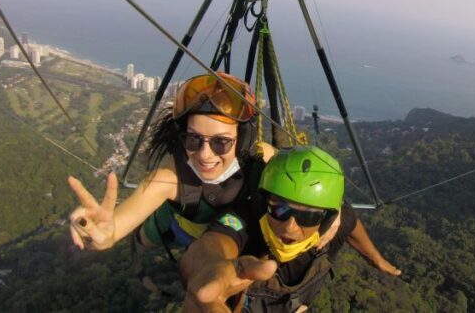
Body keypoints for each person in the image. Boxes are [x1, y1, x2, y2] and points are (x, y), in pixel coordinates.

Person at [181, 146, 401, 313]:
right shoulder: (246, 221)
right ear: (264, 201)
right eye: (280, 209)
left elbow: (352, 224)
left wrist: (375, 259)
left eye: (307, 216)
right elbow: (214, 243)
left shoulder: (332, 228)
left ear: (327, 219)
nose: (289, 227)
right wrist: (206, 269)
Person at [67, 72, 272, 251]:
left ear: (243, 140)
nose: (204, 154)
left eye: (221, 142)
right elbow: (113, 231)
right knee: (146, 239)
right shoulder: (168, 178)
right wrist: (105, 235)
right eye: (194, 139)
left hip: (219, 237)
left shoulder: (262, 157)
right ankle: (158, 221)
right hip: (181, 228)